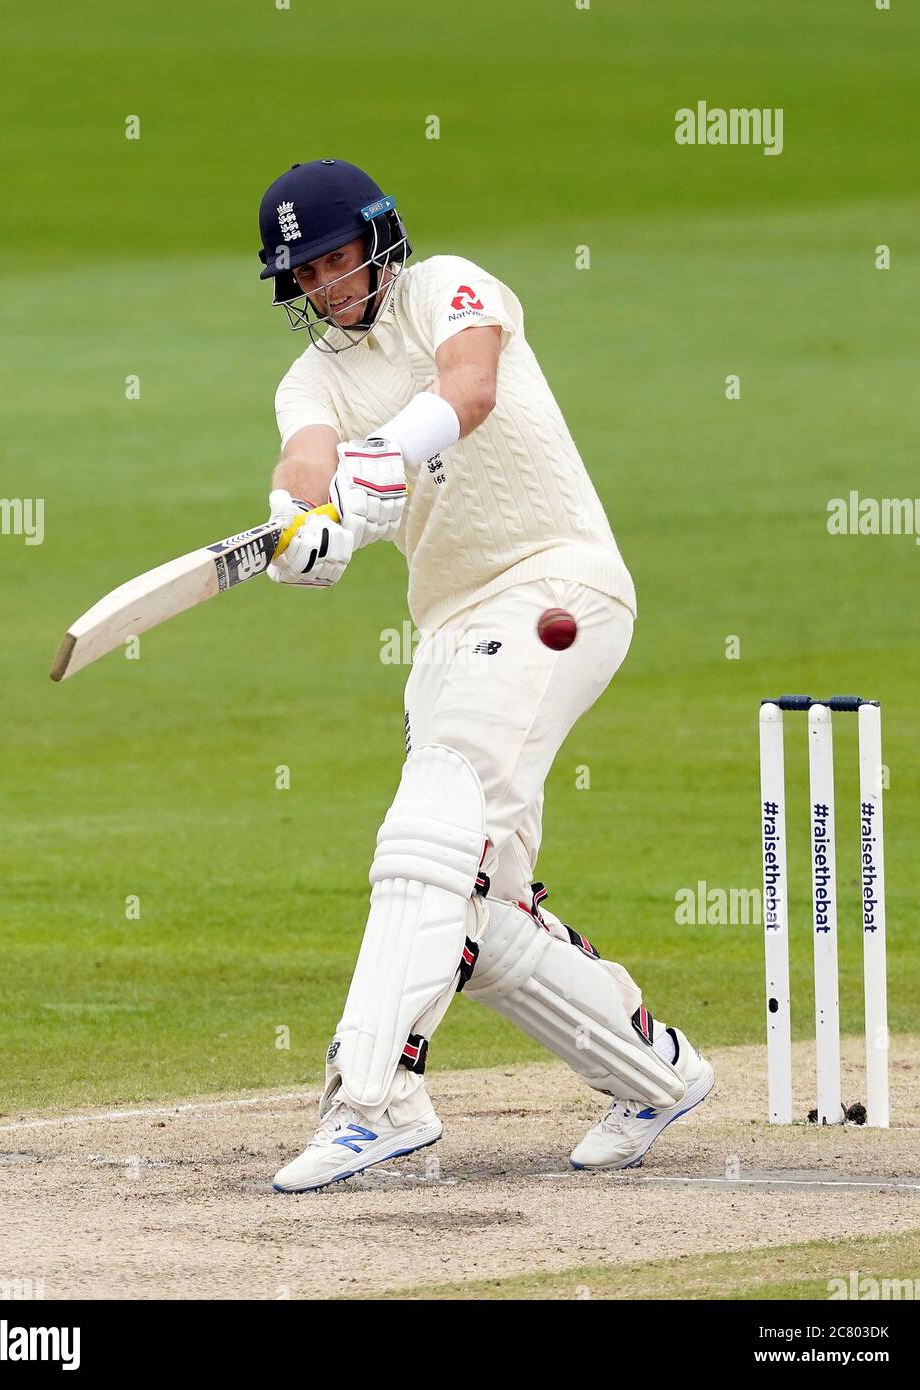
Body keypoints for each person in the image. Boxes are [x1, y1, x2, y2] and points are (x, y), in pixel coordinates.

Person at [258, 159, 713, 1193]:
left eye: (335, 260)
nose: (325, 287)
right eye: (304, 275)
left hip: (556, 585)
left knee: (431, 826)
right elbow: (303, 461)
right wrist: (300, 527)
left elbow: (469, 385)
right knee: (481, 897)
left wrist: (385, 456)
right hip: (451, 631)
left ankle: (375, 1101)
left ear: (378, 241)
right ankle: (653, 1071)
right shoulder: (309, 378)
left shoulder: (445, 289)